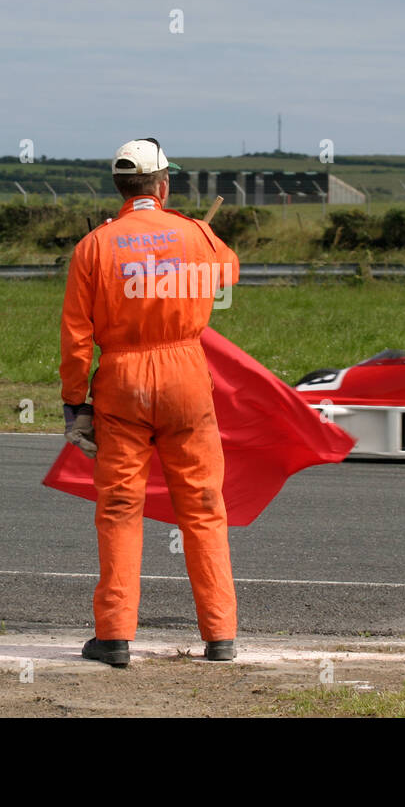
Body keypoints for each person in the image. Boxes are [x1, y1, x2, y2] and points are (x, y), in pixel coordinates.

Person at [60, 138, 240, 666]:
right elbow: (229, 273)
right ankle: (221, 635)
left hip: (121, 379)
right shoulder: (197, 235)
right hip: (186, 375)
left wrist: (76, 404)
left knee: (119, 507)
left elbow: (75, 336)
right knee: (204, 507)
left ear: (120, 187)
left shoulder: (94, 246)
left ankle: (114, 636)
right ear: (163, 185)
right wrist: (197, 235)